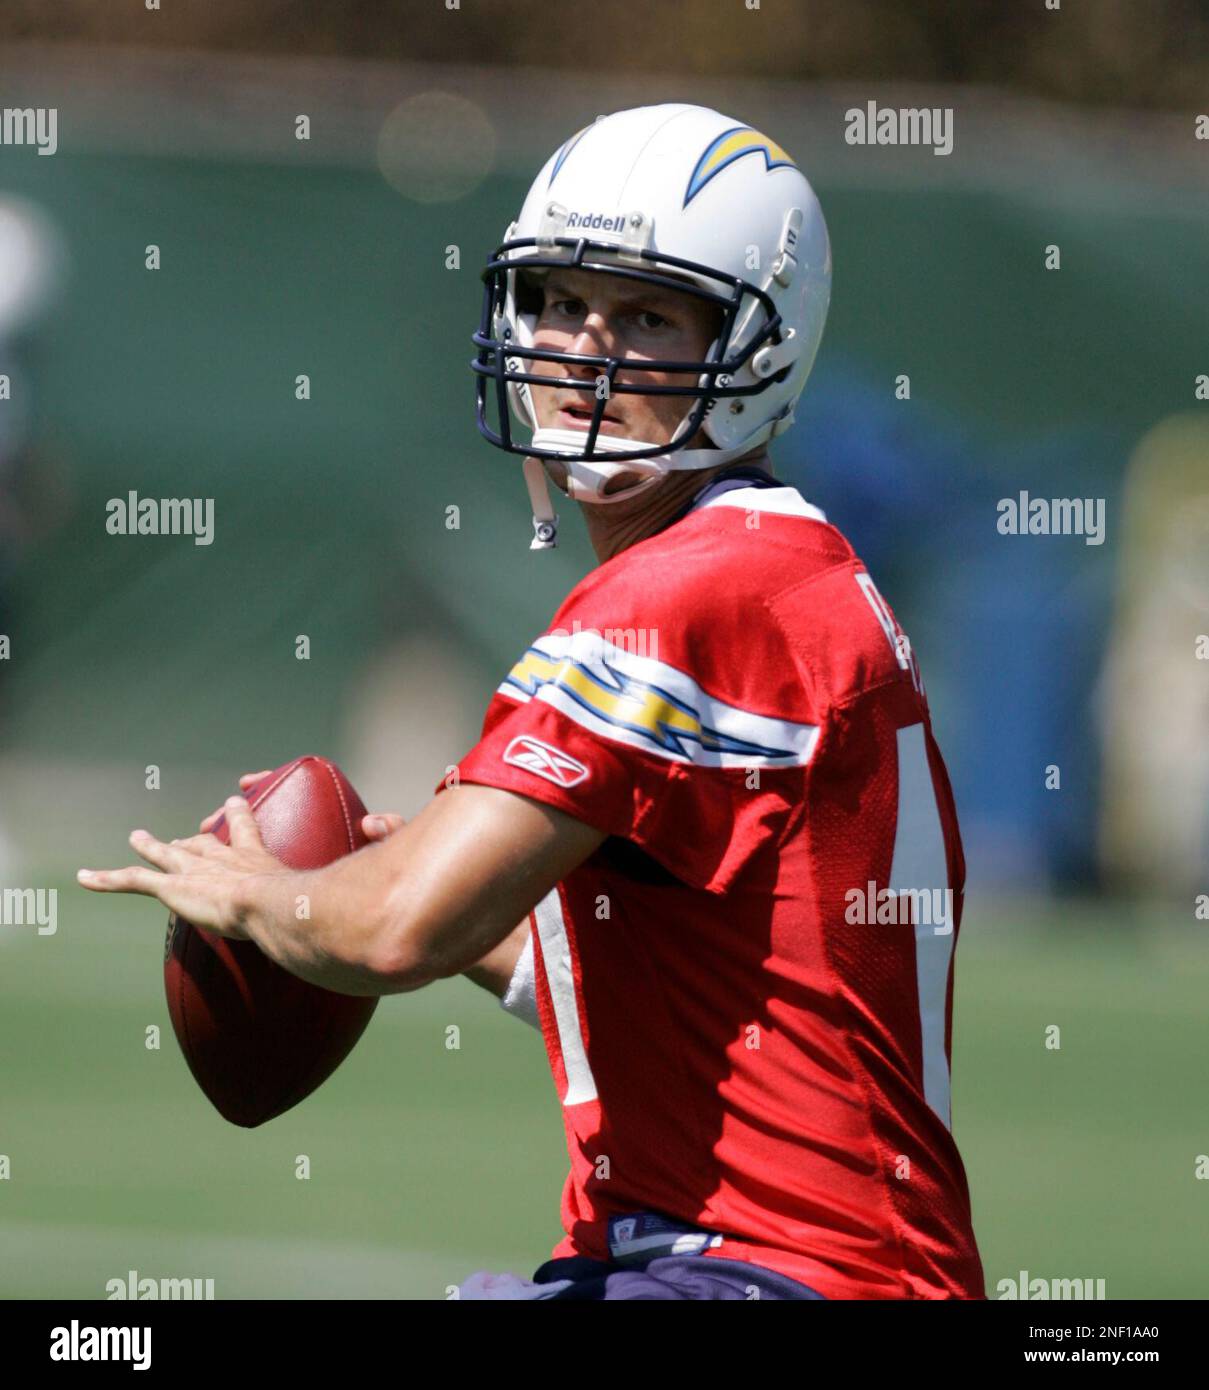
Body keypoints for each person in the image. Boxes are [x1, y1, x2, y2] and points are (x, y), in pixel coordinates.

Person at [78, 103, 984, 1300]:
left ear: (761, 345)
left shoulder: (686, 592)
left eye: (648, 315)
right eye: (559, 302)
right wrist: (483, 925)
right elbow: (722, 992)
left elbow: (397, 928)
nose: (582, 350)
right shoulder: (778, 567)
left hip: (775, 1274)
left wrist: (267, 894)